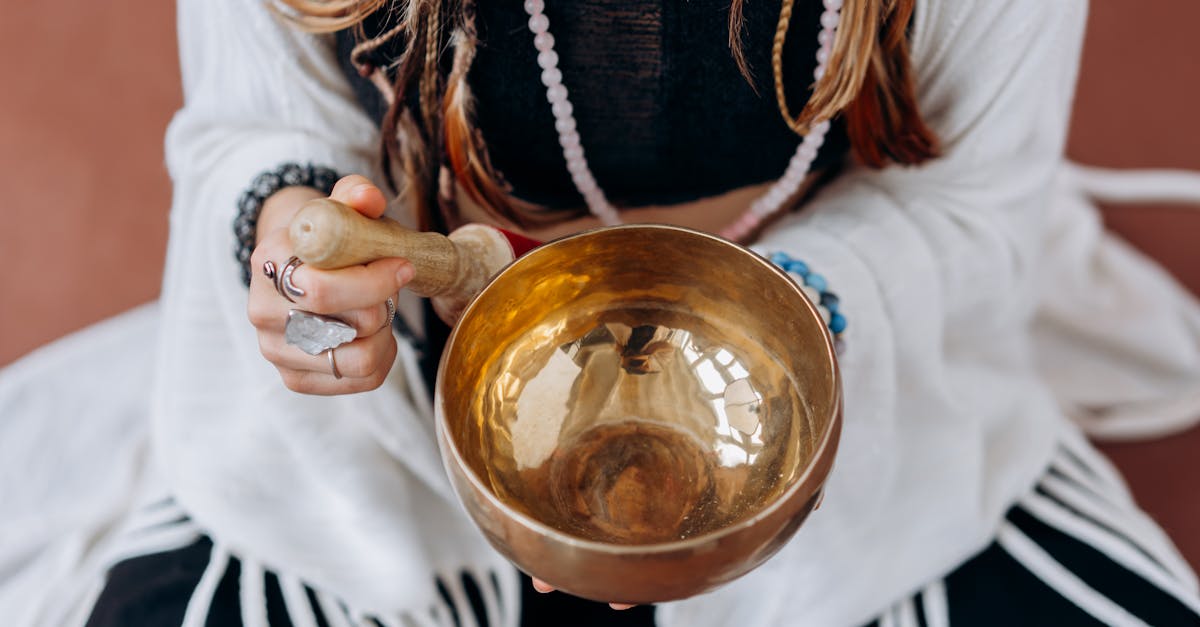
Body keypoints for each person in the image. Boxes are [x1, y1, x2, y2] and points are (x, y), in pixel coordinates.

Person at [3, 0, 1200, 625]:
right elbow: (251, 127)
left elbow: (976, 203)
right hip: (393, 425)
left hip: (845, 363)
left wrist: (780, 318)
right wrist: (282, 236)